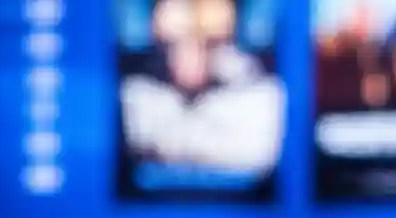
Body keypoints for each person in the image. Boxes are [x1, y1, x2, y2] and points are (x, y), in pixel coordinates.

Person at [119, 0, 285, 176]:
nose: (189, 56)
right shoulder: (135, 90)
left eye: (208, 43)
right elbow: (137, 139)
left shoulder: (261, 94)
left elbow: (259, 154)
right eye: (172, 44)